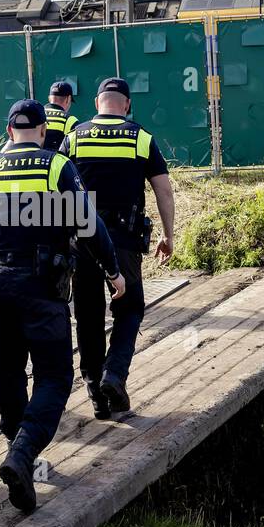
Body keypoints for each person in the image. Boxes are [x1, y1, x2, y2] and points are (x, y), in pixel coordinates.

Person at [0, 99, 125, 513]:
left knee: (10, 370)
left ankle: (19, 453)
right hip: (42, 288)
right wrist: (112, 270)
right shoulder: (55, 166)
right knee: (54, 376)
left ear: (8, 128)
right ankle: (22, 453)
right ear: (42, 130)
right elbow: (89, 223)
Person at [61, 77, 176, 418]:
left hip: (82, 239)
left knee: (88, 314)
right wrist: (168, 235)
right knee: (130, 308)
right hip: (124, 240)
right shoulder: (141, 138)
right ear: (126, 105)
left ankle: (96, 390)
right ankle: (115, 374)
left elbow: (54, 192)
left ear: (97, 103)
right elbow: (164, 191)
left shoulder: (75, 138)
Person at [42, 81, 79, 152]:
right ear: (68, 99)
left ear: (49, 98)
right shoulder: (70, 120)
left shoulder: (37, 114)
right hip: (58, 162)